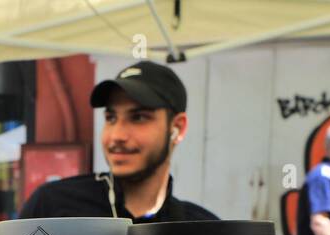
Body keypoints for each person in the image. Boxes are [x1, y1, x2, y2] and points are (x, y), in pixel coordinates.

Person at [18, 61, 216, 222]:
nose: (116, 136)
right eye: (111, 118)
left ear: (178, 127)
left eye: (138, 117)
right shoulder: (53, 206)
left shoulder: (202, 231)